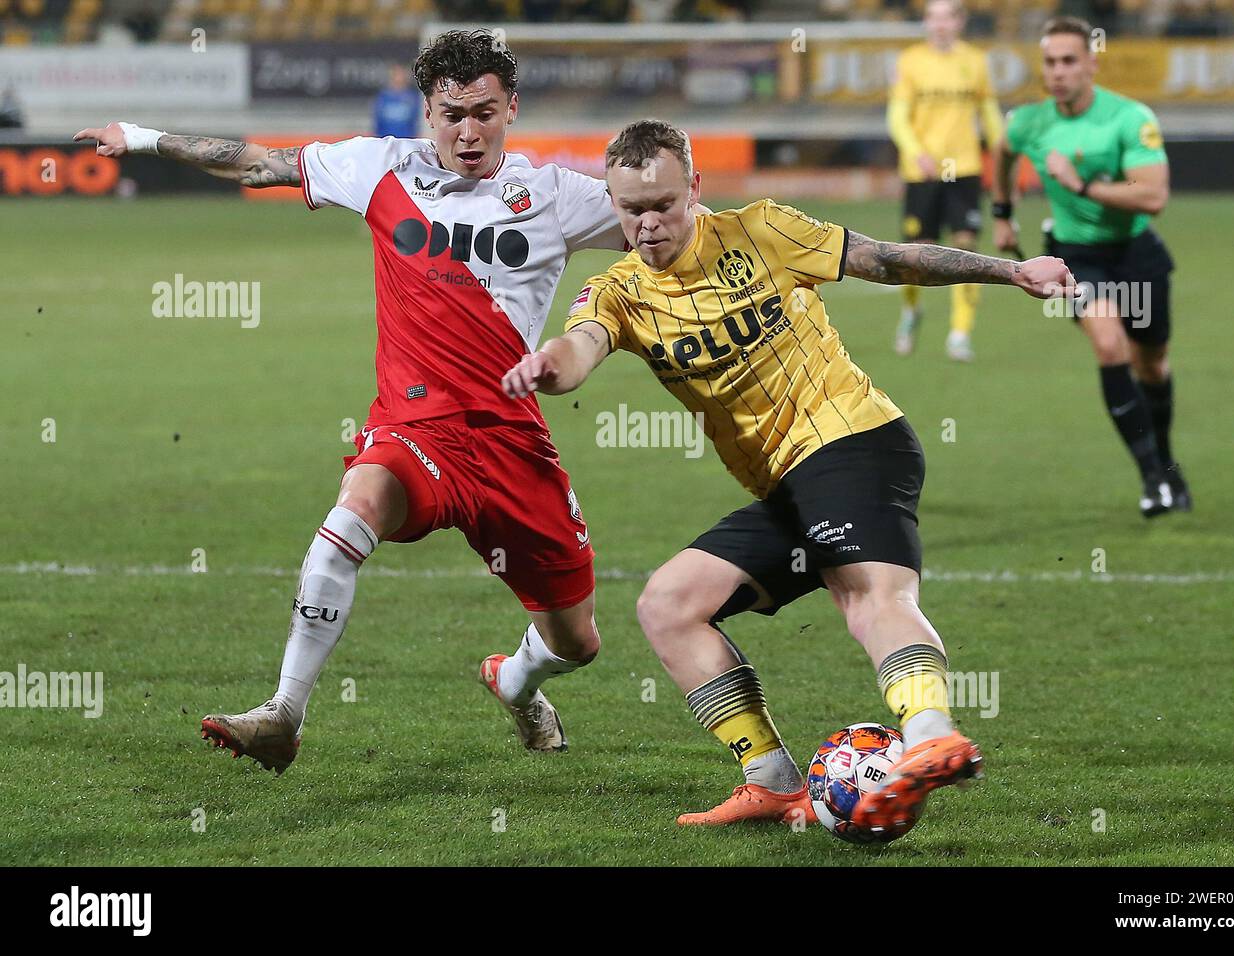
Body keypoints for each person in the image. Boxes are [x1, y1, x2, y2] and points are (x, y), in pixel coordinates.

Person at [74, 30, 636, 773]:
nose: (468, 132)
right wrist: (142, 137)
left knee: (578, 642)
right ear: (427, 110)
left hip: (510, 444)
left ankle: (515, 682)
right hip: (416, 428)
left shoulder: (560, 198)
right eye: (451, 112)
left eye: (485, 113)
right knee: (355, 506)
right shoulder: (377, 167)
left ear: (512, 109)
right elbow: (255, 163)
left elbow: (660, 232)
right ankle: (283, 714)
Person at [501, 119, 1073, 839]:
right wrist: (550, 368)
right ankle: (771, 782)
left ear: (695, 191)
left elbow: (885, 259)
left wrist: (1008, 271)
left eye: (664, 205)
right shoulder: (619, 291)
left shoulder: (761, 231)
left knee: (867, 595)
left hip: (855, 439)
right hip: (785, 488)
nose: (647, 224)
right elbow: (580, 345)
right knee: (668, 605)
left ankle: (929, 731)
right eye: (630, 209)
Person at [993, 15, 1190, 518]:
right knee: (1109, 345)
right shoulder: (1028, 122)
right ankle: (1151, 479)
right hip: (1075, 257)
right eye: (1050, 62)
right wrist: (1002, 214)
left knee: (1152, 363)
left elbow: (1153, 195)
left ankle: (1165, 465)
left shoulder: (1128, 118)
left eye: (1068, 61)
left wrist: (1079, 184)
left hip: (1136, 254)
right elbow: (1004, 151)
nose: (1057, 72)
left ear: (1091, 65)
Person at [887, 0, 1003, 362]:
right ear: (925, 22)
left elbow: (987, 110)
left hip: (964, 168)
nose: (940, 24)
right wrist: (914, 150)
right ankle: (911, 312)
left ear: (960, 22)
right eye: (933, 17)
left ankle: (959, 333)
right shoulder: (910, 62)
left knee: (965, 249)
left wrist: (1001, 149)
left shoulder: (976, 61)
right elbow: (897, 115)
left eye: (947, 17)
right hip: (922, 171)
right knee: (915, 255)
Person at [373, 62, 424, 139]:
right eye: (396, 75)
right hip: (385, 140)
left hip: (407, 140)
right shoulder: (383, 97)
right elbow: (378, 122)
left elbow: (417, 121)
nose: (399, 78)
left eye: (401, 75)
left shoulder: (412, 97)